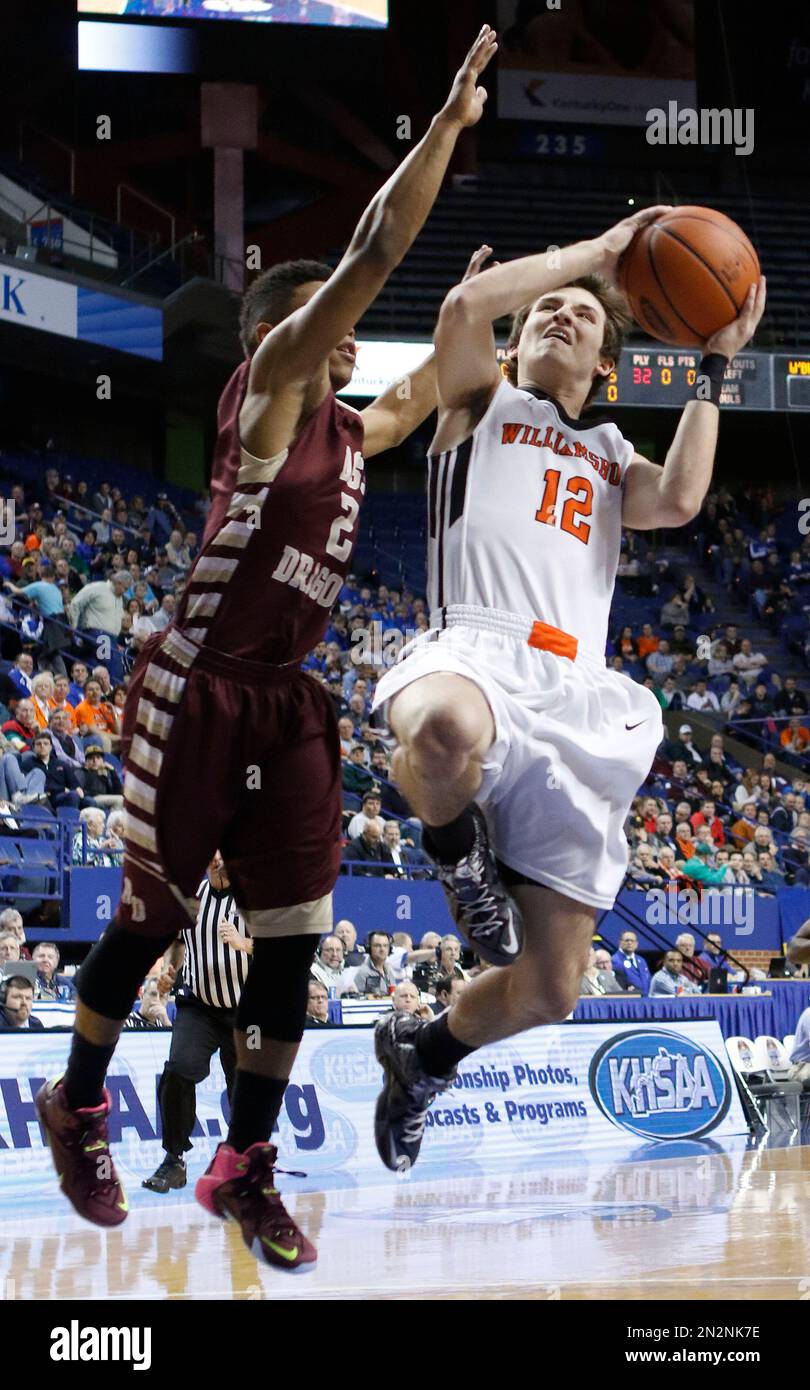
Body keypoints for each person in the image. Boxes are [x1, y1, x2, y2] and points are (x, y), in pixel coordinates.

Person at [35, 23, 499, 1272]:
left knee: (293, 928)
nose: (354, 337)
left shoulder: (353, 422)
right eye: (335, 319)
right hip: (199, 684)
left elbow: (439, 381)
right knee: (149, 914)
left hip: (287, 702)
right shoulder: (279, 382)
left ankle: (245, 1164)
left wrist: (557, 281)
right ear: (287, 330)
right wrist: (446, 131)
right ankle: (76, 1100)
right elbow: (371, 254)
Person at [368, 195, 765, 1170]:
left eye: (587, 317)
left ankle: (424, 1055)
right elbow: (464, 313)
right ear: (518, 341)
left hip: (574, 690)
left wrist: (716, 366)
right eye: (552, 307)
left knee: (551, 989)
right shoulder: (475, 401)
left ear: (605, 370)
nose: (564, 314)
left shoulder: (608, 450)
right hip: (475, 647)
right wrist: (595, 254)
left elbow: (679, 498)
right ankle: (457, 854)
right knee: (442, 729)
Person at [142, 853, 252, 1194]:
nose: (218, 859)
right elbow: (177, 943)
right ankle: (174, 1160)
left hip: (247, 1011)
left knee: (248, 1092)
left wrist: (243, 943)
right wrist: (167, 971)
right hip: (199, 1005)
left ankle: (245, 1166)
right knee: (177, 1071)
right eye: (212, 852)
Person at [353, 931, 398, 996]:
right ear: (369, 948)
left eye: (385, 946)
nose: (382, 949)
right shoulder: (362, 972)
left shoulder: (389, 970)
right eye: (378, 946)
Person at [611, 929, 651, 995]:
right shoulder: (614, 960)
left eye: (632, 941)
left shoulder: (641, 960)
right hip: (630, 1000)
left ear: (637, 944)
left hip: (646, 999)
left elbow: (648, 980)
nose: (629, 943)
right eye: (627, 940)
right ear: (620, 942)